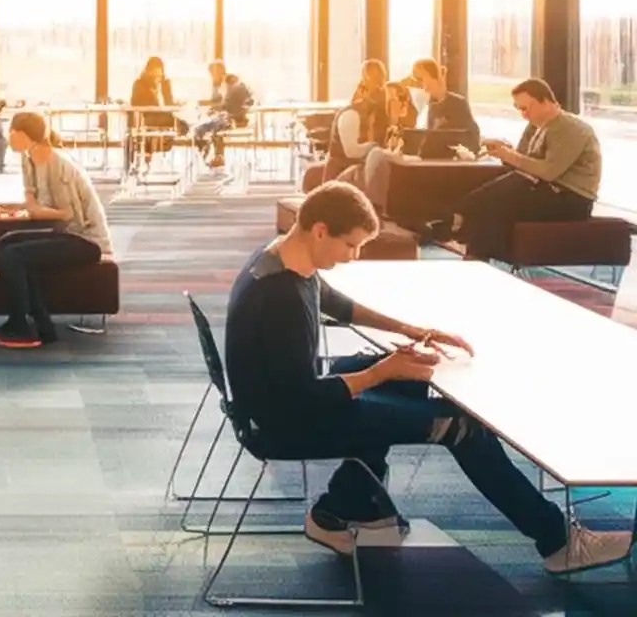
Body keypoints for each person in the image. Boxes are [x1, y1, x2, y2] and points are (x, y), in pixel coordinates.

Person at [225, 181, 631, 574]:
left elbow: (334, 303)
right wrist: (381, 371)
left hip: (284, 399)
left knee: (408, 379)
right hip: (283, 425)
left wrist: (410, 331)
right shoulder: (279, 297)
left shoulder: (283, 258)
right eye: (350, 245)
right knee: (459, 427)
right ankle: (559, 543)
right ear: (320, 230)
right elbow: (302, 398)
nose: (352, 256)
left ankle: (342, 509)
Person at [426, 78, 602, 259]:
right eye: (519, 109)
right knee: (496, 190)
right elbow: (527, 162)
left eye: (526, 108)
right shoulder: (541, 127)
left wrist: (509, 155)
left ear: (545, 101)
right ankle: (467, 233)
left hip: (571, 199)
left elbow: (549, 171)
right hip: (549, 191)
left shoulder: (569, 128)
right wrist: (504, 152)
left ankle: (460, 222)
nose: (523, 115)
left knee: (498, 198)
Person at [0, 112, 113, 349]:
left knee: (14, 255)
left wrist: (33, 210)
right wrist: (12, 207)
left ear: (24, 135)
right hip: (64, 234)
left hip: (85, 240)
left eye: (11, 132)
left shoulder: (57, 163)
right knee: (7, 242)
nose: (8, 136)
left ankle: (20, 326)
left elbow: (67, 214)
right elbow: (33, 201)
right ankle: (42, 325)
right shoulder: (28, 158)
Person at [193, 60, 254, 167]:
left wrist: (216, 109)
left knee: (206, 127)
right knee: (207, 127)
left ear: (219, 72)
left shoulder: (232, 84)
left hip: (233, 117)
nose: (212, 77)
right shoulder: (221, 85)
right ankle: (212, 155)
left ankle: (211, 155)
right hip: (226, 117)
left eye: (213, 74)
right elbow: (218, 102)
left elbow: (229, 104)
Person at [129, 56, 189, 164]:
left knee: (185, 125)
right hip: (148, 118)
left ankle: (163, 146)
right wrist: (153, 93)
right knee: (176, 125)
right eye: (154, 73)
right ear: (148, 71)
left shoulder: (165, 83)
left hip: (164, 117)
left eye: (159, 73)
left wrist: (176, 103)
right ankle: (155, 149)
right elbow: (136, 103)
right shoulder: (139, 84)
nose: (157, 76)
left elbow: (169, 103)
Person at [410, 58, 479, 142]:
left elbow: (472, 135)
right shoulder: (426, 105)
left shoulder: (458, 103)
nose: (420, 84)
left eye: (421, 79)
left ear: (434, 77)